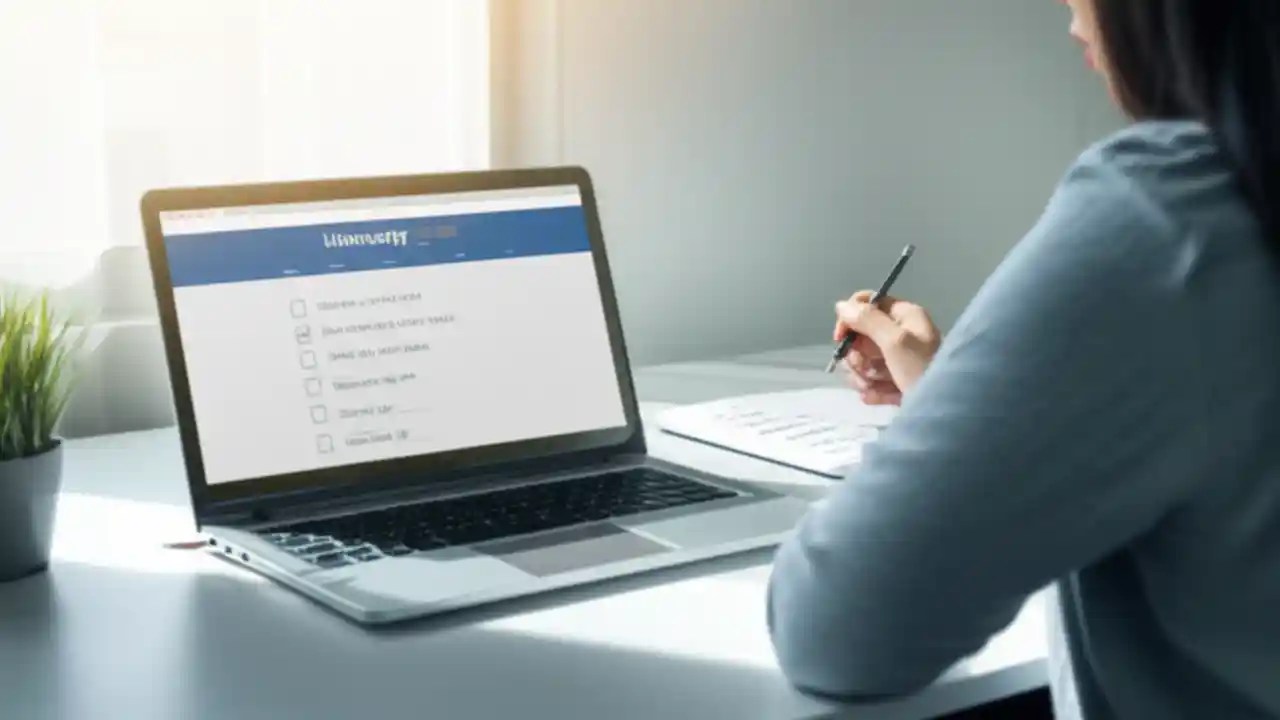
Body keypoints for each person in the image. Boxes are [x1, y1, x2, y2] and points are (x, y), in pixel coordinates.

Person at [766, 1, 1280, 718]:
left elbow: (835, 629)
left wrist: (943, 428)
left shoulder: (1169, 220)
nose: (1070, 13)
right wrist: (959, 398)